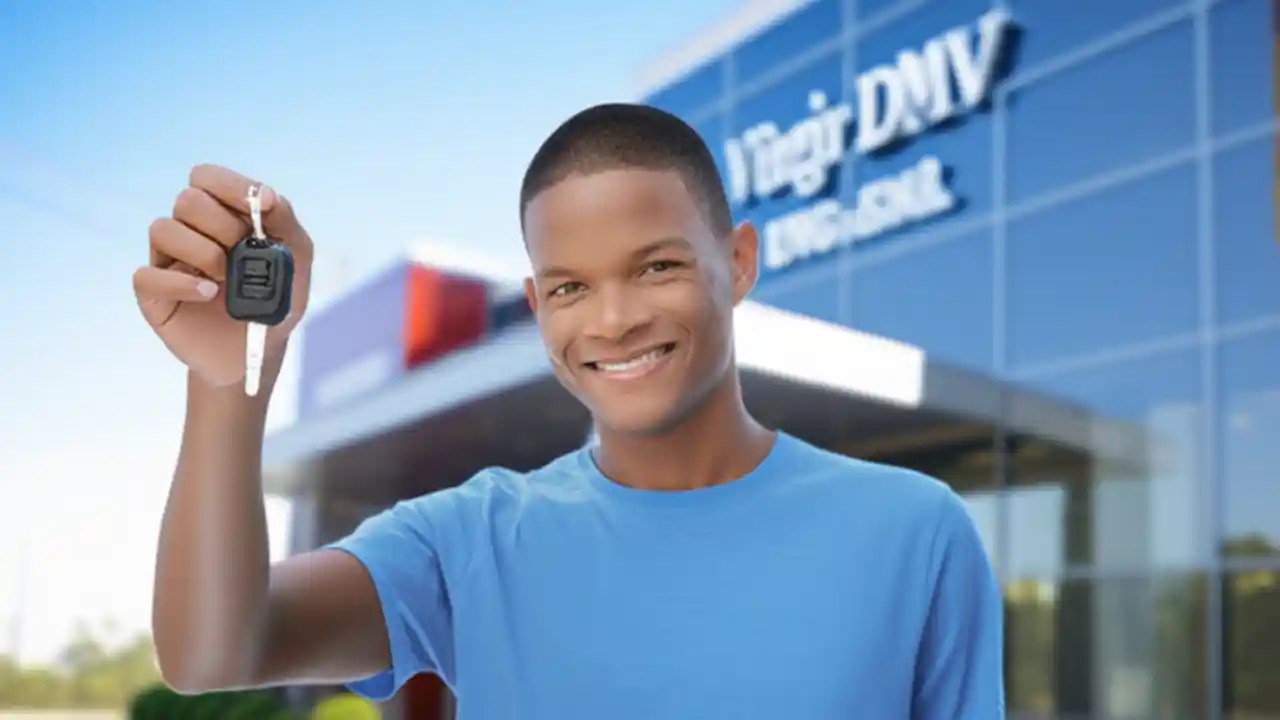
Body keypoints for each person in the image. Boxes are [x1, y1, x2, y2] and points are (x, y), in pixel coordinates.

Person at [137, 103, 1005, 718]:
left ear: (737, 262)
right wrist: (231, 382)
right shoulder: (469, 541)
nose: (613, 318)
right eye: (570, 287)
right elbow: (214, 653)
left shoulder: (914, 531)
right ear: (536, 300)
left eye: (658, 266)